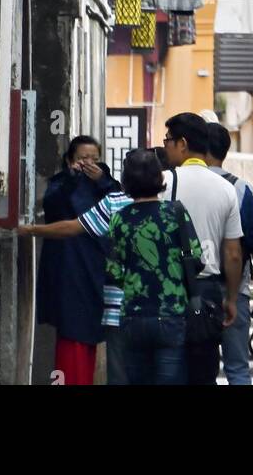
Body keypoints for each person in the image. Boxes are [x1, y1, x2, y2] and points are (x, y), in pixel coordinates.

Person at [18, 135, 119, 385]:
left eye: (94, 159)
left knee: (89, 331)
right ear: (69, 160)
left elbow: (118, 206)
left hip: (96, 264)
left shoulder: (106, 184)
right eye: (83, 158)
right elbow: (52, 208)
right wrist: (72, 181)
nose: (89, 163)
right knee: (71, 329)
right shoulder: (61, 183)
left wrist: (102, 181)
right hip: (68, 264)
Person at [106, 147, 203, 386]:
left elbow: (112, 270)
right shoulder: (176, 213)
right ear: (159, 178)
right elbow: (197, 258)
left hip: (133, 316)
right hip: (171, 314)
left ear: (126, 181)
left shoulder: (120, 218)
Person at [162, 111, 243, 386]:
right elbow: (233, 253)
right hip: (207, 294)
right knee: (204, 373)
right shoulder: (225, 188)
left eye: (168, 140)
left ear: (182, 144)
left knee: (168, 371)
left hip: (168, 292)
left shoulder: (162, 183)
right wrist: (230, 298)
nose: (165, 146)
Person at [205, 122, 253, 387]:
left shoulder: (184, 183)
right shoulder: (242, 189)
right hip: (237, 290)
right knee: (237, 368)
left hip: (196, 290)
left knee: (200, 367)